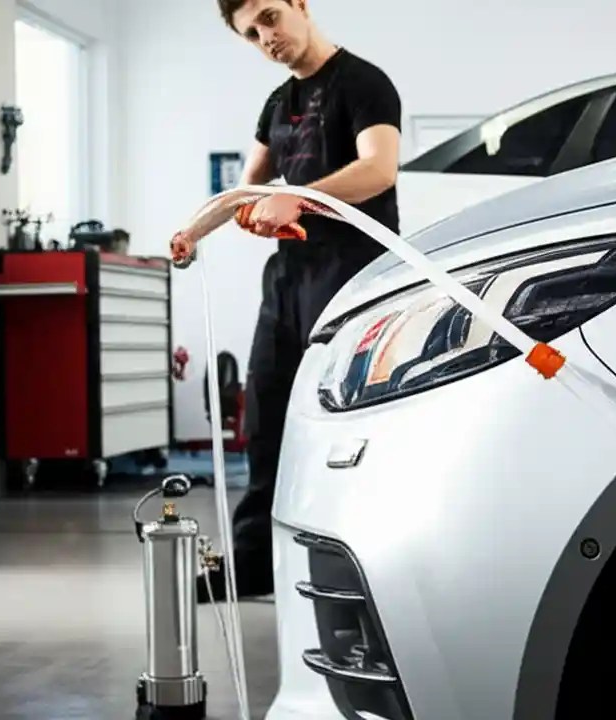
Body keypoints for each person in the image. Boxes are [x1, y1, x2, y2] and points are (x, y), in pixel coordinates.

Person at [198, 0, 402, 602]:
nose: (266, 37)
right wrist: (193, 230)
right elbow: (249, 188)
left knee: (347, 424)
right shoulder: (276, 104)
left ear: (300, 6)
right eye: (251, 33)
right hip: (288, 281)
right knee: (264, 420)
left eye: (269, 17)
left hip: (353, 276)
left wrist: (301, 198)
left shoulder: (364, 82)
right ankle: (253, 566)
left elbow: (379, 169)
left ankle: (362, 568)